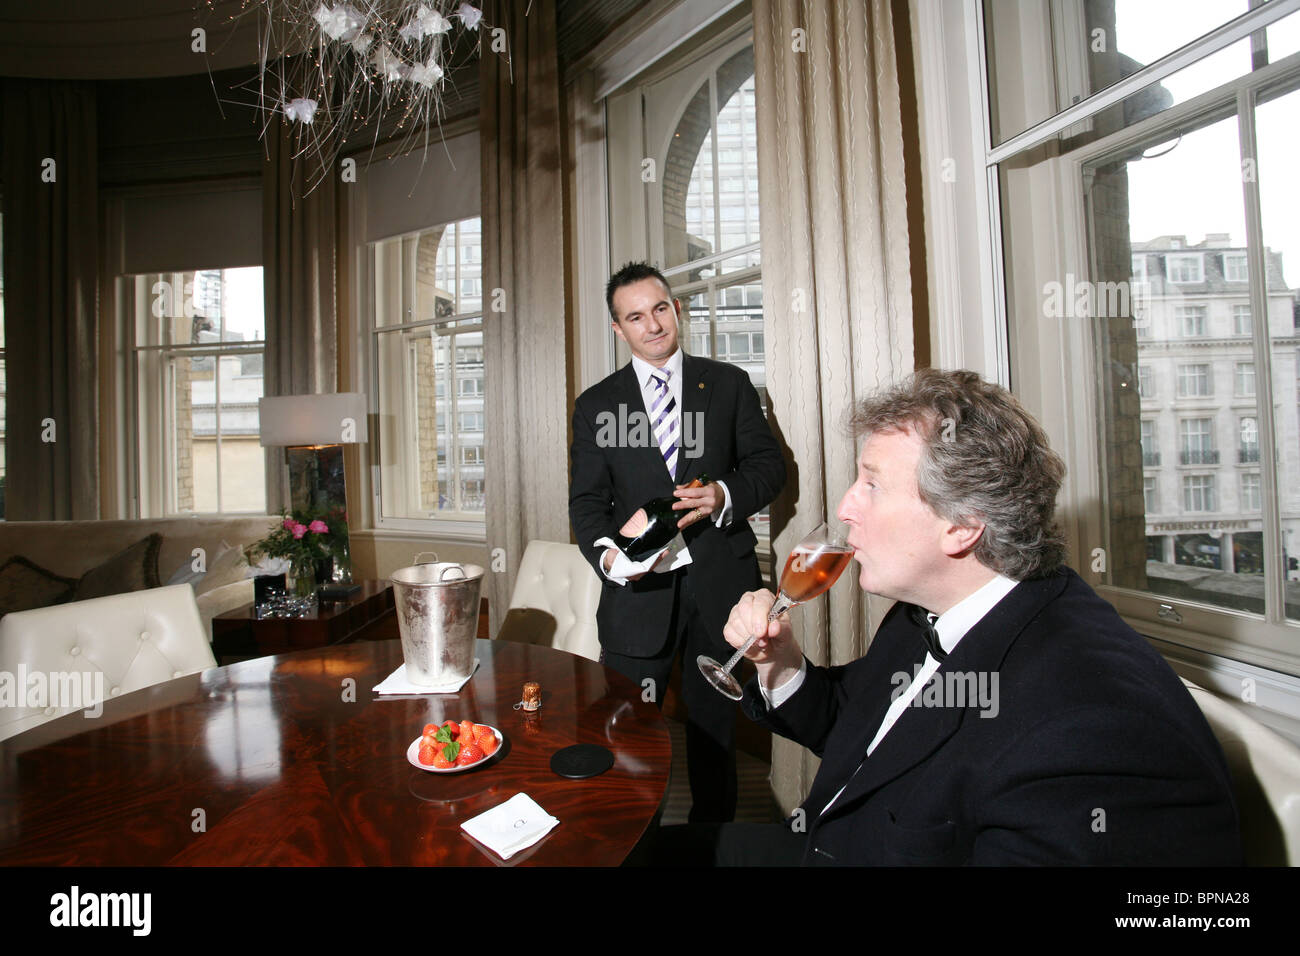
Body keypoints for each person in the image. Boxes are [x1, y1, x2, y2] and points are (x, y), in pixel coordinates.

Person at [681, 368, 1241, 864]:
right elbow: (855, 727)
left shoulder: (1092, 732)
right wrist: (779, 661)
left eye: (872, 484)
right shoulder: (930, 608)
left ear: (962, 525)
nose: (846, 507)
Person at [569, 262, 785, 822]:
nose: (653, 324)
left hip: (723, 588)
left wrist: (722, 493)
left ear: (677, 309)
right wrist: (612, 560)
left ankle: (711, 848)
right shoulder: (596, 406)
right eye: (635, 316)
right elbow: (587, 506)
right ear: (619, 329)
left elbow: (769, 468)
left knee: (715, 736)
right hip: (637, 599)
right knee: (626, 734)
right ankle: (627, 843)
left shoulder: (731, 383)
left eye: (660, 308)